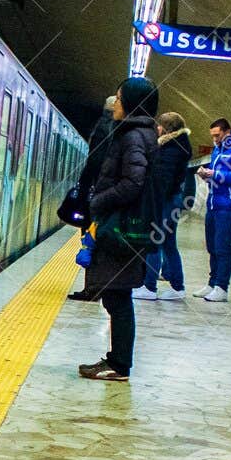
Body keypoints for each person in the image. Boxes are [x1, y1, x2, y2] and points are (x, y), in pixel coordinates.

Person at [78, 76, 158, 383]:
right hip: (125, 225)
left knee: (118, 297)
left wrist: (98, 201)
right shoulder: (140, 133)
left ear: (133, 103)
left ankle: (120, 365)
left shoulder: (133, 136)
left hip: (121, 227)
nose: (116, 102)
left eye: (120, 98)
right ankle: (116, 361)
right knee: (115, 295)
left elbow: (132, 183)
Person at [134, 112, 191, 301]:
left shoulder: (171, 148)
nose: (157, 129)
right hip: (172, 200)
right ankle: (177, 287)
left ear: (167, 128)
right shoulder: (178, 145)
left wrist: (153, 200)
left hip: (164, 200)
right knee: (168, 243)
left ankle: (149, 287)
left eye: (160, 126)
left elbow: (163, 179)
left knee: (155, 241)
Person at [194, 118, 231, 301]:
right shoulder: (217, 151)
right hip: (213, 203)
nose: (215, 139)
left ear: (228, 132)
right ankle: (212, 283)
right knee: (211, 245)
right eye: (212, 136)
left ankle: (222, 286)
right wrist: (207, 175)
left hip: (228, 204)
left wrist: (216, 174)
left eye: (217, 135)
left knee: (222, 246)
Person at [68, 96, 118, 302]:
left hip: (97, 194)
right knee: (98, 240)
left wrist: (83, 189)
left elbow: (94, 161)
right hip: (107, 193)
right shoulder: (117, 128)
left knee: (90, 240)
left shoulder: (103, 127)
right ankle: (96, 287)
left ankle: (92, 288)